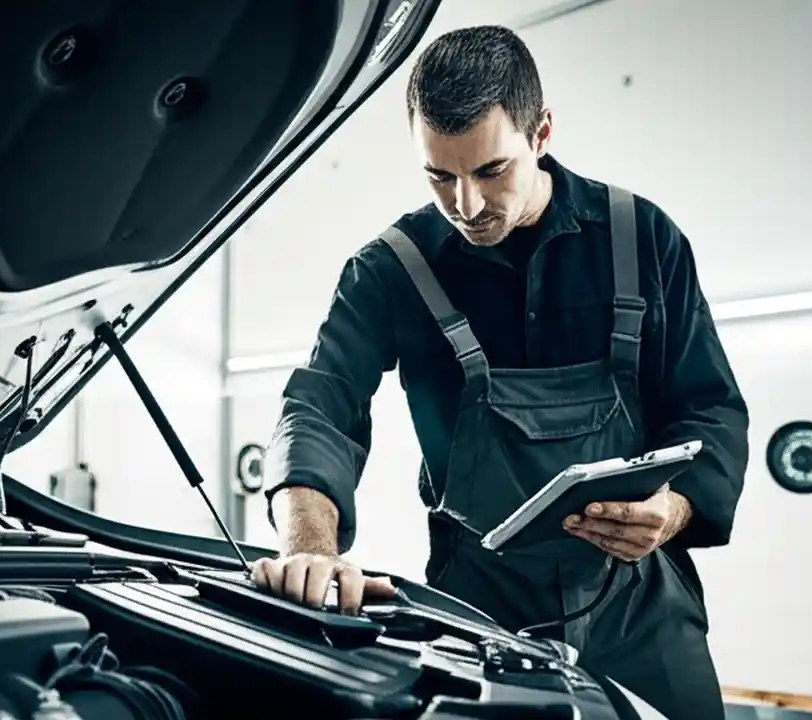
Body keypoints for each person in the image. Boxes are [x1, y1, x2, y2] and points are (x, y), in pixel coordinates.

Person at [250, 24, 749, 720]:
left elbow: (712, 408)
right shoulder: (390, 270)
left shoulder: (645, 240)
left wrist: (674, 509)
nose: (467, 205)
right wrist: (310, 548)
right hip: (475, 613)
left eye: (490, 171)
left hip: (639, 610)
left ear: (541, 132)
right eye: (439, 176)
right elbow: (320, 406)